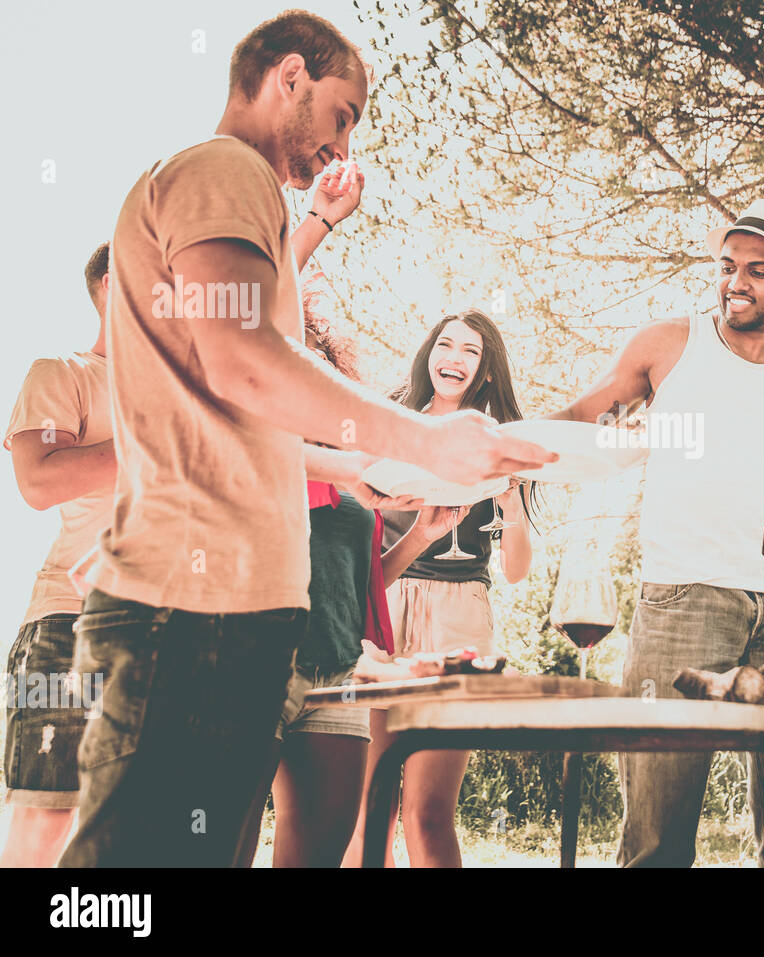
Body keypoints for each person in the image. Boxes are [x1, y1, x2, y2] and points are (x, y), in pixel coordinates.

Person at [59, 11, 552, 868]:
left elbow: (239, 415)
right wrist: (428, 443)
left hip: (222, 605)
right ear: (291, 76)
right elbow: (247, 361)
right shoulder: (226, 168)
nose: (342, 144)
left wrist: (359, 469)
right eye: (343, 113)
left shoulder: (230, 193)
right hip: (193, 608)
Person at [549, 199, 764, 867]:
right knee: (658, 829)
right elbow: (583, 415)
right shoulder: (669, 345)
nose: (736, 281)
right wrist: (507, 450)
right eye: (728, 265)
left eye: (758, 270)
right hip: (684, 599)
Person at [270, 295, 460, 868]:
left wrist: (423, 535)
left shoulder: (357, 463)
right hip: (257, 660)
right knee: (214, 844)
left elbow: (360, 582)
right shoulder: (251, 442)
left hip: (339, 672)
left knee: (318, 858)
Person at [343, 308, 535, 868]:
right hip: (387, 606)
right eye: (446, 345)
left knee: (427, 812)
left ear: (487, 371)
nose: (454, 358)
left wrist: (512, 501)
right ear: (429, 353)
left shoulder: (498, 445)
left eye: (471, 351)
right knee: (368, 802)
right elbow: (358, 540)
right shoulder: (390, 425)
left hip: (460, 617)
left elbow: (517, 570)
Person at [2, 243, 115, 867]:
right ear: (108, 287)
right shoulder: (61, 372)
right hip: (66, 624)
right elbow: (38, 482)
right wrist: (155, 446)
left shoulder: (187, 393)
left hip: (164, 633)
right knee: (44, 823)